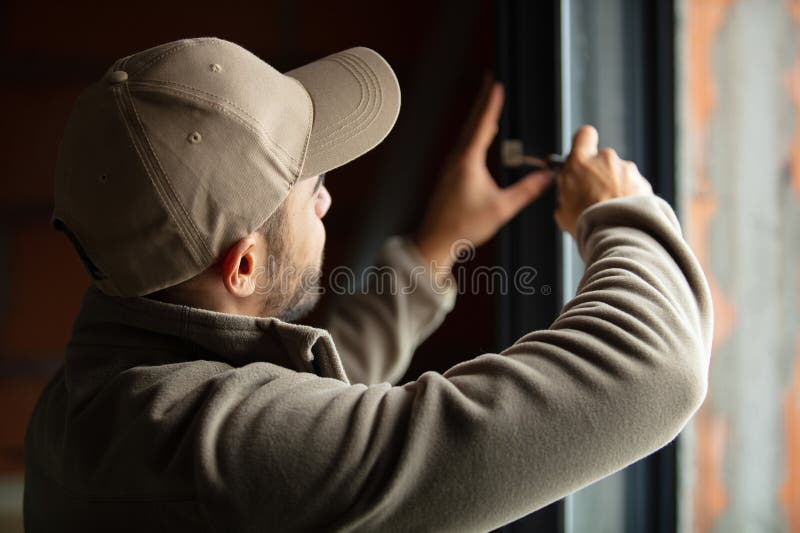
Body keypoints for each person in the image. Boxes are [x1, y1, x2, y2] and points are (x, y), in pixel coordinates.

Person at [24, 37, 712, 532]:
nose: (326, 201)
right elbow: (651, 373)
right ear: (243, 266)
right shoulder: (217, 458)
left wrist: (435, 249)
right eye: (311, 187)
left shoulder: (90, 401)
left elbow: (304, 411)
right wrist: (616, 212)